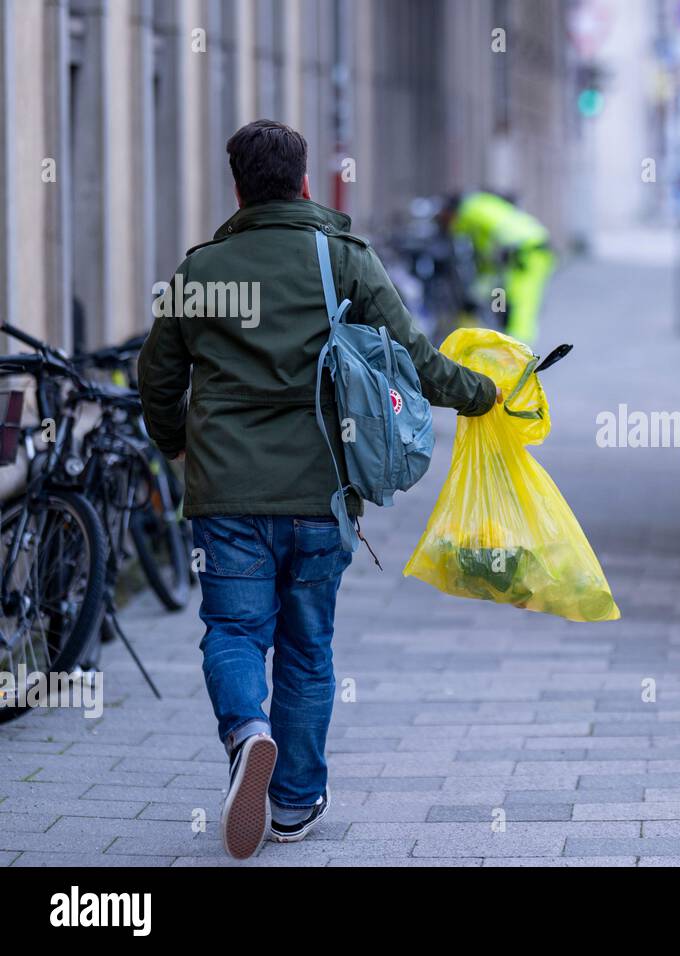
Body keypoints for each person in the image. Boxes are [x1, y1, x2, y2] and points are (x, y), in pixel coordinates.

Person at [137, 119, 502, 859]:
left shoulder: (201, 272)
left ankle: (248, 732)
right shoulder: (343, 261)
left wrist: (175, 441)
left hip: (227, 498)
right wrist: (485, 394)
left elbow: (157, 377)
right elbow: (418, 360)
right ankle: (296, 803)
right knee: (307, 648)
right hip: (320, 498)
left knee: (234, 632)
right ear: (306, 182)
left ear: (237, 186)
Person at [437, 190, 553, 344]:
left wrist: (508, 249)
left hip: (524, 253)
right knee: (509, 302)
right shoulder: (477, 207)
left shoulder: (471, 210)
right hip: (525, 251)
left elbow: (499, 229)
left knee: (520, 305)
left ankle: (518, 352)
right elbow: (487, 256)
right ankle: (509, 346)